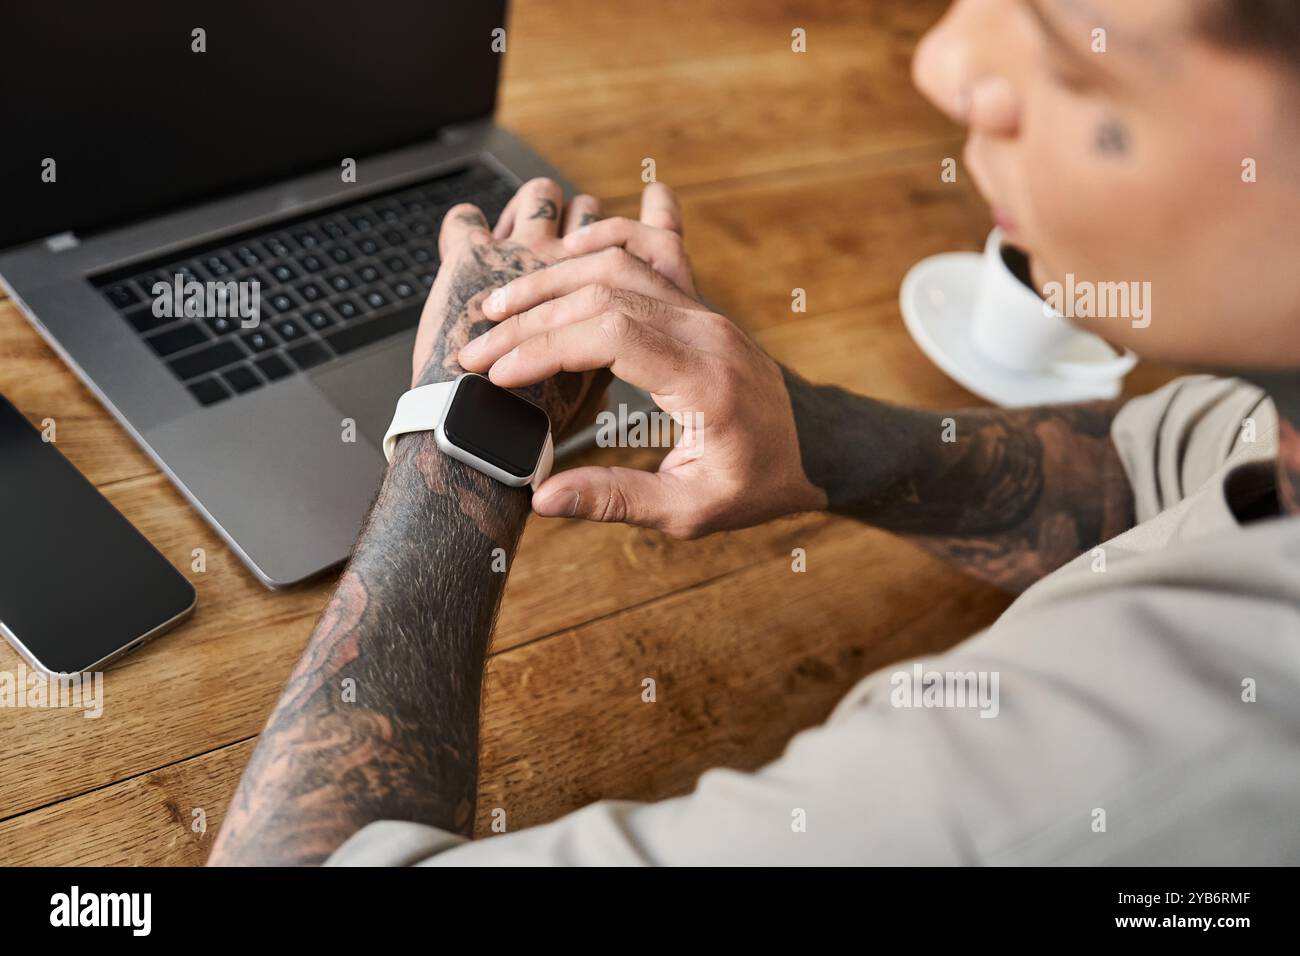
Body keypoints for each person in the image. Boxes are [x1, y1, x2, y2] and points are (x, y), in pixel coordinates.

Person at [208, 0, 1300, 865]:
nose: (942, 61)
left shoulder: (1157, 752)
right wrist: (796, 424)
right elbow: (1144, 484)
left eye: (1070, 41)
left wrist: (461, 423)